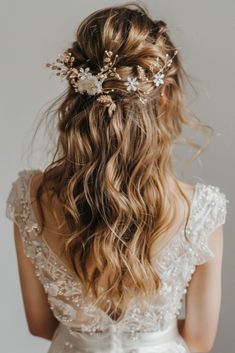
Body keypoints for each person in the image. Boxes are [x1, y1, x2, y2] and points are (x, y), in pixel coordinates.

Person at [5, 3, 228, 353]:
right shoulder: (200, 210)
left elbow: (40, 323)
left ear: (77, 90)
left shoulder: (29, 196)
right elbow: (199, 341)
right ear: (165, 96)